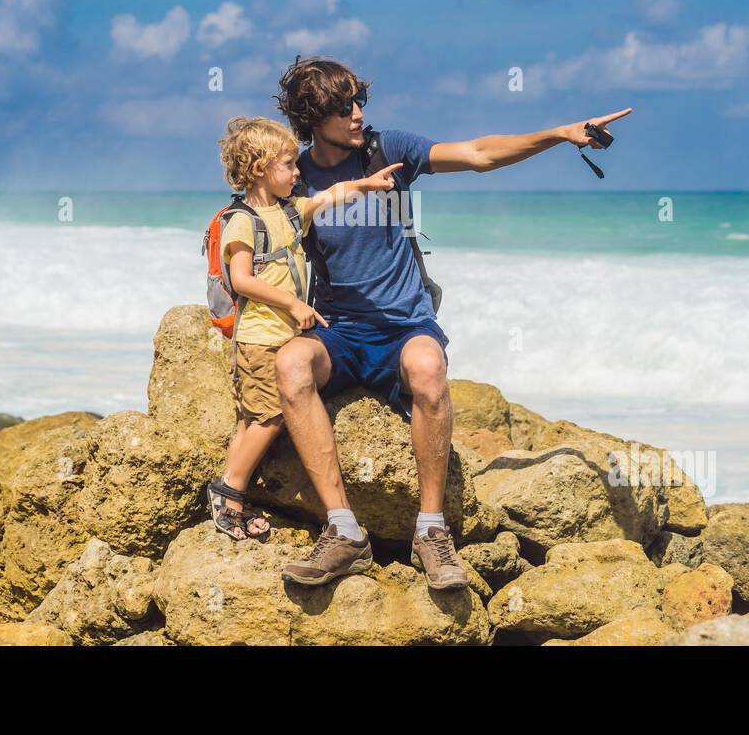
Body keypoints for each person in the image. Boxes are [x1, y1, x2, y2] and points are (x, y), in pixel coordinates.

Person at [271, 56, 632, 588]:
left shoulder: (386, 148)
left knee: (428, 367)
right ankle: (345, 532)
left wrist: (559, 133)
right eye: (342, 105)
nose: (357, 112)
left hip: (403, 326)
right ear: (311, 115)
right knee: (291, 364)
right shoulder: (297, 177)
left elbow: (479, 153)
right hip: (339, 331)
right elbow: (256, 235)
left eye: (359, 100)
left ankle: (432, 532)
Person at [207, 115, 403, 541]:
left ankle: (229, 490)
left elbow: (333, 195)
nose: (299, 173)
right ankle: (230, 493)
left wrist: (366, 186)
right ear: (259, 168)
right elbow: (242, 279)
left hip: (283, 340)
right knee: (270, 417)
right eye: (290, 165)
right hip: (260, 339)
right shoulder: (242, 221)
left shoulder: (291, 212)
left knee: (253, 417)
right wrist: (294, 303)